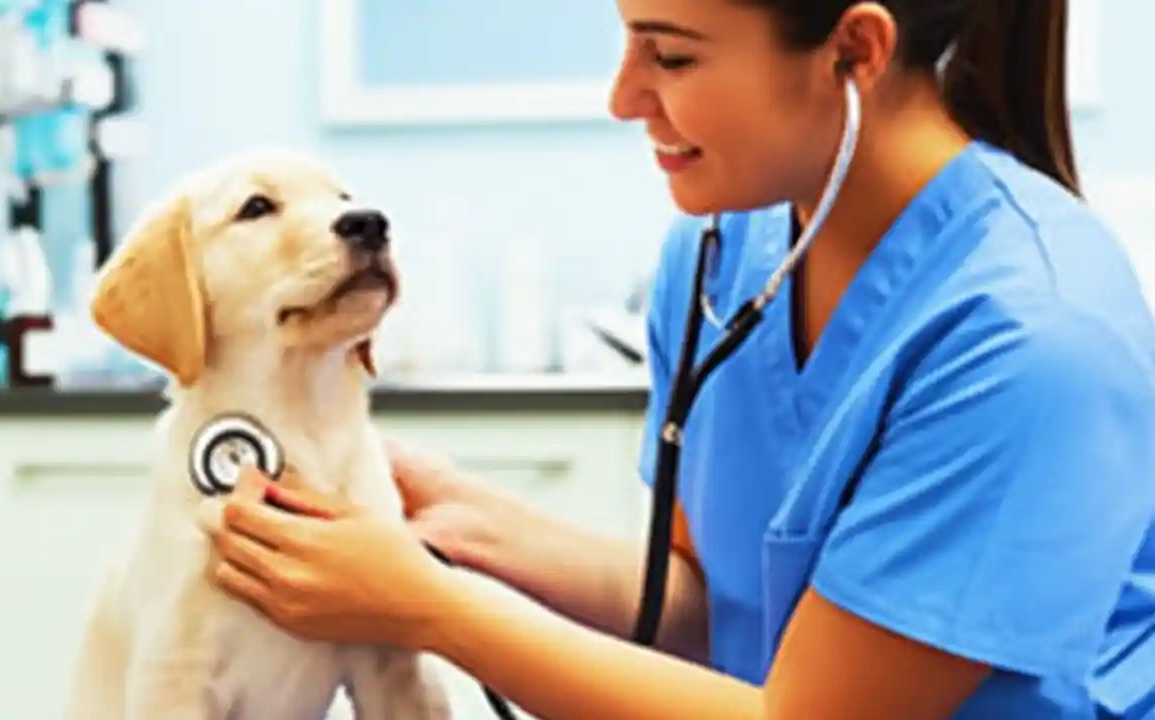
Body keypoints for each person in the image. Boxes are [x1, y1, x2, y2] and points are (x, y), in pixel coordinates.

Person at [202, 0, 1155, 717]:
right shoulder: (725, 252)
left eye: (670, 54)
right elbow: (711, 606)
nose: (623, 97)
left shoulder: (1030, 337)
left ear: (854, 50)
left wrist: (429, 608)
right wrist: (474, 528)